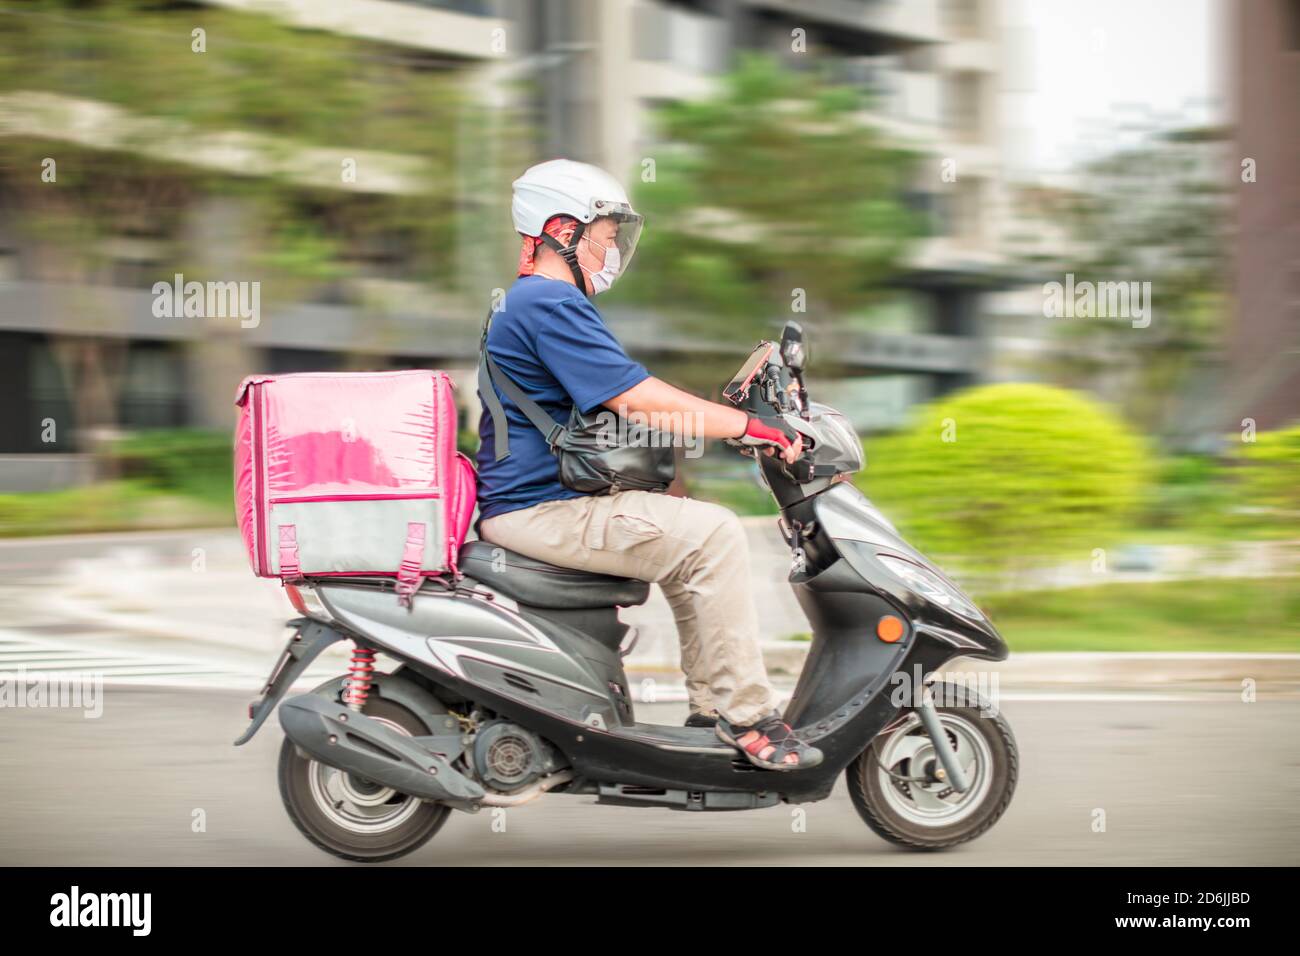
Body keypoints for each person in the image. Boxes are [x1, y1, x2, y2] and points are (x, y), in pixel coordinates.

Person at [475, 159, 822, 771]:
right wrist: (750, 426)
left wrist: (725, 424)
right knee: (715, 534)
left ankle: (711, 711)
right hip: (540, 509)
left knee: (688, 535)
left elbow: (625, 402)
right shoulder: (548, 303)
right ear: (562, 230)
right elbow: (636, 398)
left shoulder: (533, 303)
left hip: (540, 504)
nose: (613, 250)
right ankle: (748, 716)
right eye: (606, 236)